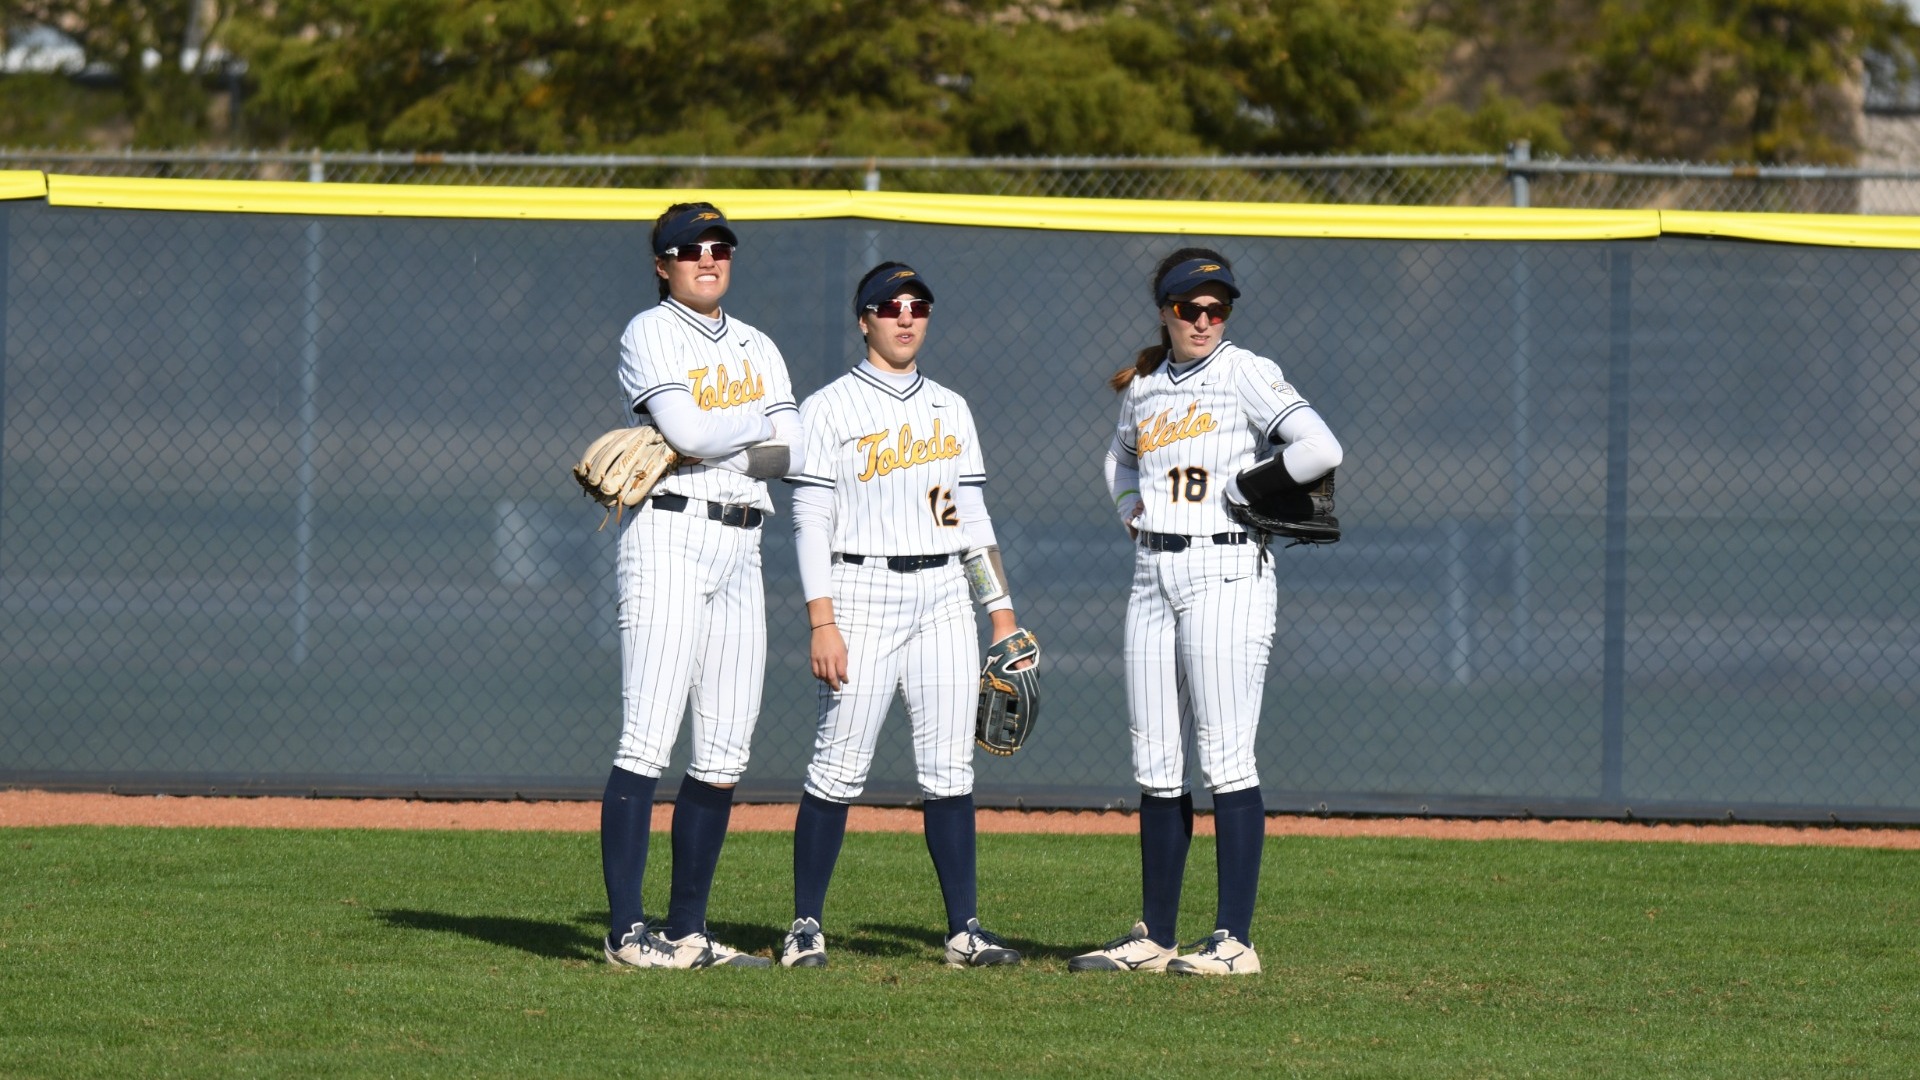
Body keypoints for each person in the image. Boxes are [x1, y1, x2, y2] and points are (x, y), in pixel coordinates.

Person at [1071, 248, 1342, 976]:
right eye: (1190, 307)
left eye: (1216, 307)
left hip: (1227, 568)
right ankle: (1157, 936)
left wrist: (1253, 488)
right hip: (1151, 572)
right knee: (1156, 761)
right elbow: (1118, 459)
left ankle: (1235, 941)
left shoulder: (1245, 370)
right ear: (1165, 309)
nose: (1204, 319)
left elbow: (1321, 447)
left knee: (1226, 757)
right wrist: (1129, 506)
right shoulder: (1146, 385)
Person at [780, 262, 1031, 970]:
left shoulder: (951, 408)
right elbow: (809, 520)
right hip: (859, 592)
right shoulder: (827, 407)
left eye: (918, 304)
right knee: (838, 766)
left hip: (946, 594)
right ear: (863, 319)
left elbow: (971, 518)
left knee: (950, 771)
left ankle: (964, 930)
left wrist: (1001, 611)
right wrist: (820, 620)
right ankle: (805, 926)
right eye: (889, 305)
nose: (905, 315)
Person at [600, 202, 805, 969]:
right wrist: (756, 427)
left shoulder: (758, 342)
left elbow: (794, 449)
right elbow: (683, 435)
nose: (708, 259)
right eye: (690, 250)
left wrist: (733, 440)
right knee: (647, 736)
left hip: (743, 547)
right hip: (670, 535)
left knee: (724, 749)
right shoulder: (648, 331)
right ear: (663, 265)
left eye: (719, 247)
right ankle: (626, 934)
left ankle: (687, 931)